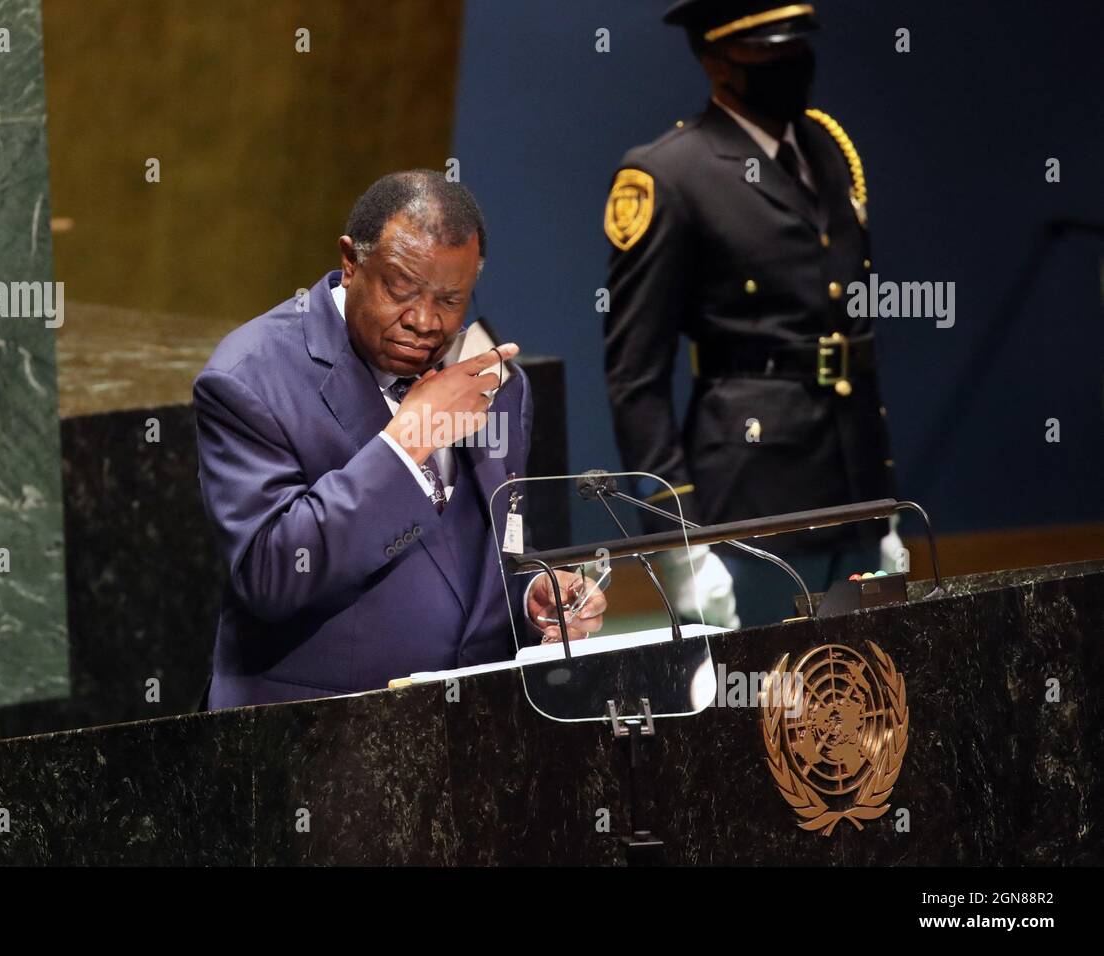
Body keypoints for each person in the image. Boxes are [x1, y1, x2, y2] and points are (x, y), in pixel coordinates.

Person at [196, 170, 604, 708]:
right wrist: (410, 438)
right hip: (316, 736)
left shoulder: (495, 384)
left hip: (472, 731)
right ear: (350, 261)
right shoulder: (249, 378)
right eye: (400, 290)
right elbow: (272, 573)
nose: (424, 321)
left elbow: (483, 555)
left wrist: (531, 595)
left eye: (450, 300)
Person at [603, 1, 901, 628]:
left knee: (869, 703)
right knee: (766, 713)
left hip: (853, 486)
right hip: (751, 500)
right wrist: (677, 547)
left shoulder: (826, 147)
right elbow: (637, 379)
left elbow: (846, 331)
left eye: (796, 46)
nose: (789, 62)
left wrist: (885, 508)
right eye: (767, 51)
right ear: (716, 64)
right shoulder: (670, 174)